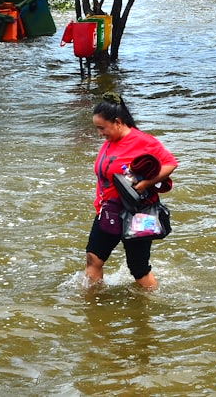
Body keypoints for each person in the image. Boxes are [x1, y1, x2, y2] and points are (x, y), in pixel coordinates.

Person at [85, 92, 177, 290]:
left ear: (117, 122)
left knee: (138, 268)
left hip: (138, 211)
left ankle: (150, 307)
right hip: (108, 210)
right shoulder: (110, 142)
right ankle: (92, 307)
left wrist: (145, 184)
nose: (100, 133)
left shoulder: (144, 141)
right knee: (93, 259)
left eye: (102, 128)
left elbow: (170, 163)